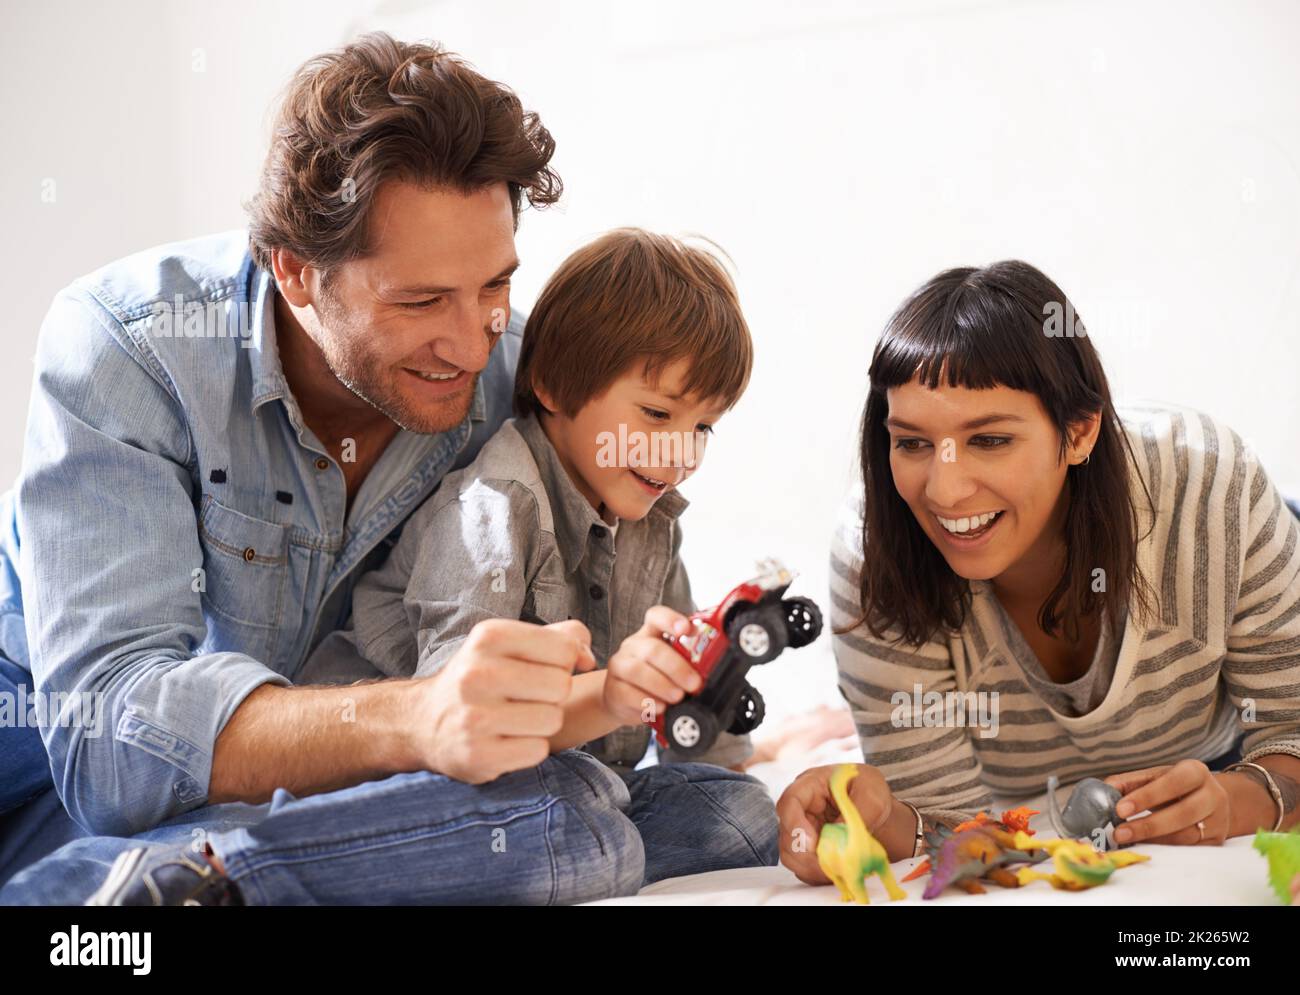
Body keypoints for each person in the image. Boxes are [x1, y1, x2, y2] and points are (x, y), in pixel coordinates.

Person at [0, 33, 652, 906]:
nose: (471, 342)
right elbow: (112, 747)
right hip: (42, 766)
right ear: (298, 273)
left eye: (493, 285)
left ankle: (195, 882)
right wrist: (416, 716)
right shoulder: (131, 346)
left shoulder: (522, 373)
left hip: (277, 797)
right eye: (420, 300)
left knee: (659, 811)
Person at [778, 260, 1300, 884]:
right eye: (913, 443)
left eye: (990, 440)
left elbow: (1291, 731)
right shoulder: (876, 556)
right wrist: (882, 818)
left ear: (1079, 433)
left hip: (1221, 728)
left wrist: (1245, 796)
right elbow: (952, 824)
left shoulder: (1208, 489)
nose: (943, 492)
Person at [295, 227, 777, 883]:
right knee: (582, 820)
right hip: (404, 789)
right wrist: (608, 694)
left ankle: (582, 848)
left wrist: (719, 733)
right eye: (657, 415)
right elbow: (457, 728)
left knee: (744, 816)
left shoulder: (652, 522)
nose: (683, 455)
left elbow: (695, 718)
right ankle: (284, 867)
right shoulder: (495, 507)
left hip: (559, 789)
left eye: (703, 427)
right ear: (551, 384)